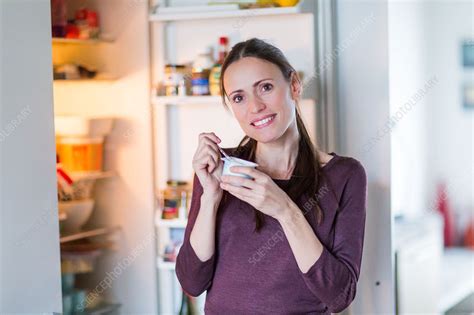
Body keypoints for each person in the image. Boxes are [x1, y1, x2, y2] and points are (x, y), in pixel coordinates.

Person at [176, 38, 367, 314]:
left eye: (265, 87)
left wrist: (286, 211)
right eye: (239, 98)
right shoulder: (219, 169)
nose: (255, 107)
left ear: (294, 85)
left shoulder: (345, 175)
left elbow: (339, 295)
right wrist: (210, 198)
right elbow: (192, 282)